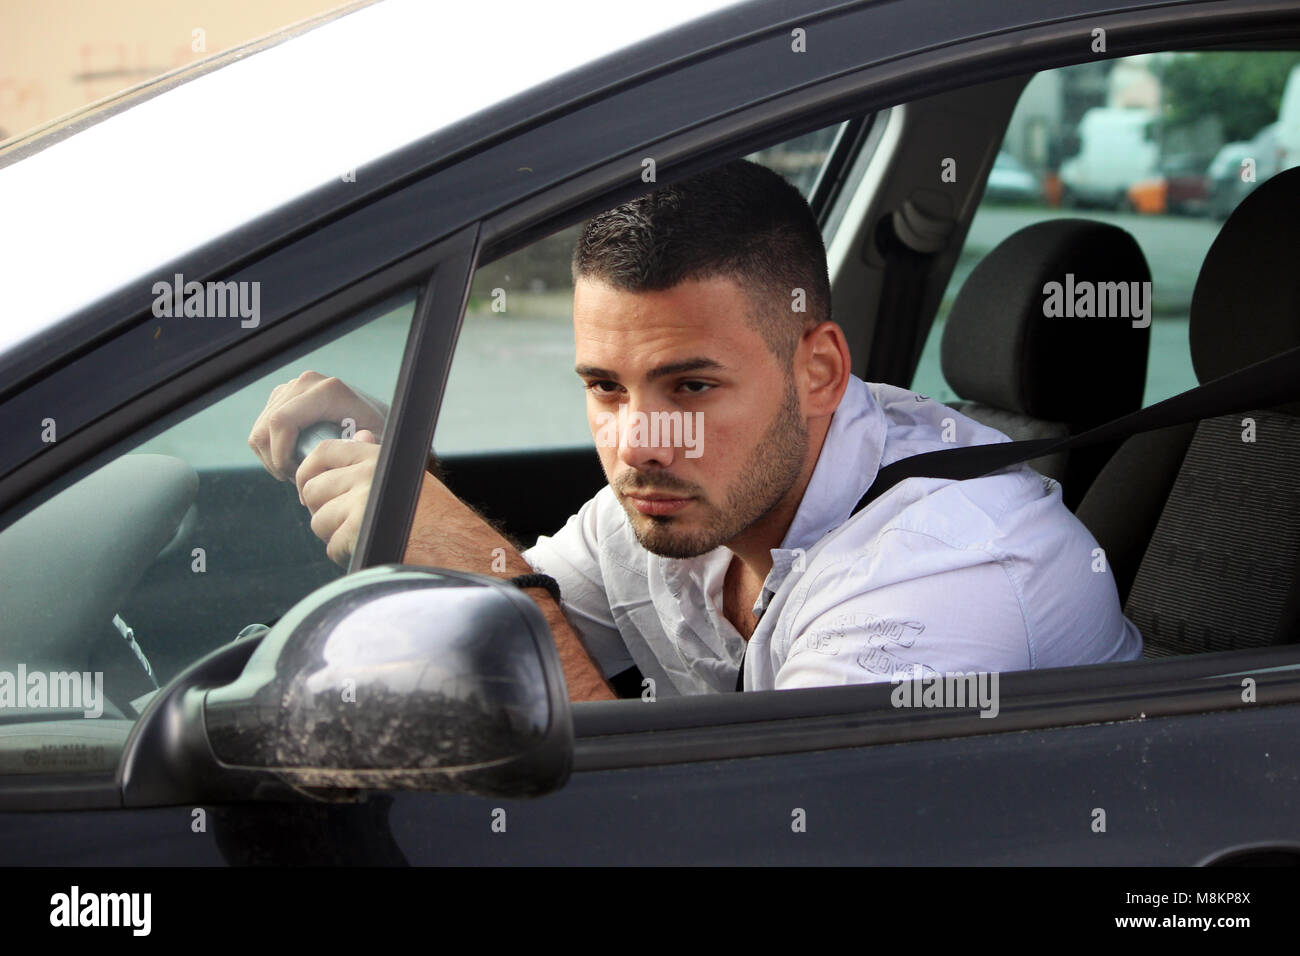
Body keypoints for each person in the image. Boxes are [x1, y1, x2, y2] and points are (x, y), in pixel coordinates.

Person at [248, 159, 1142, 702]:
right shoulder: (675, 491)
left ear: (818, 370)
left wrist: (468, 558)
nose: (638, 441)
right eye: (605, 386)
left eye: (692, 384)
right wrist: (410, 479)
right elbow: (523, 606)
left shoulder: (949, 572)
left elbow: (726, 837)